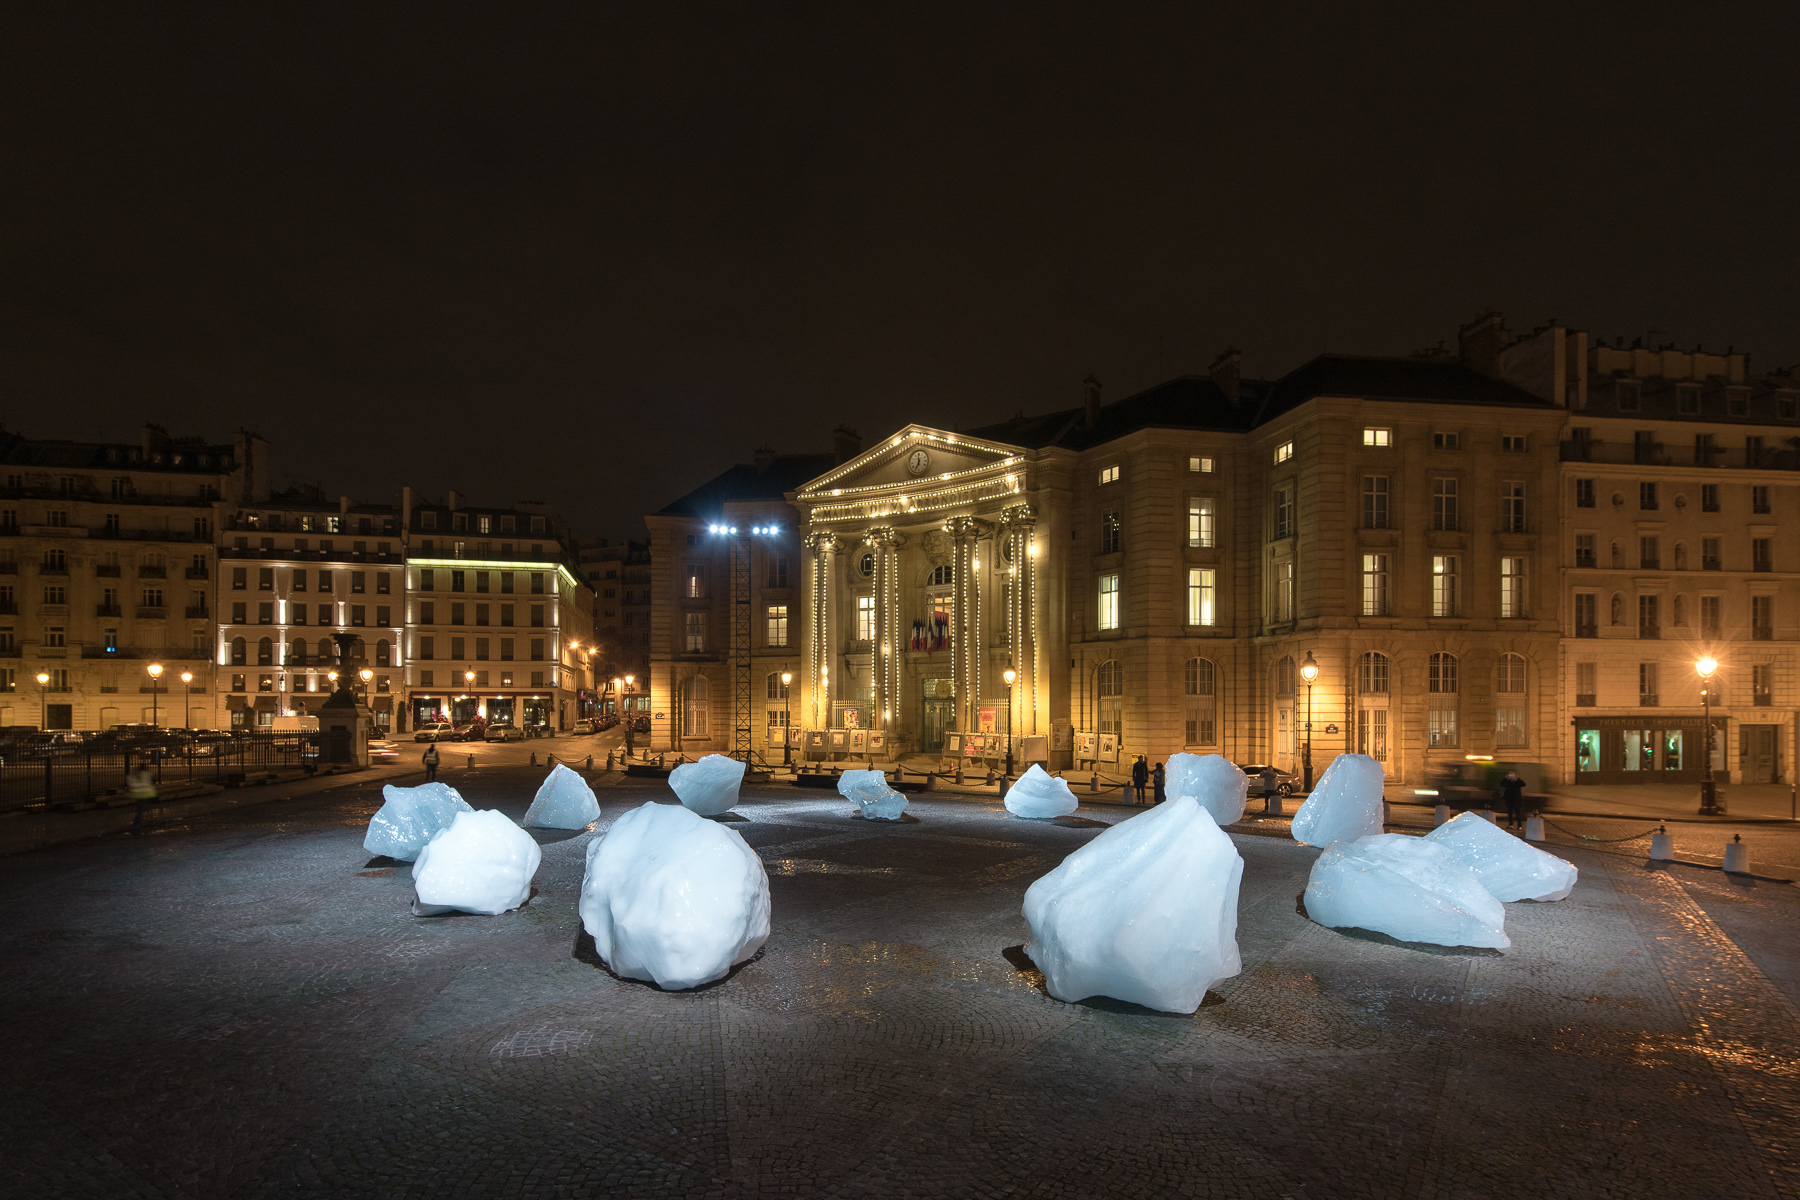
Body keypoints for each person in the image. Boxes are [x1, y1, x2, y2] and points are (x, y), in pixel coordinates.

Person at [128, 757, 157, 835]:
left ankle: (147, 821)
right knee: (142, 809)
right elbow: (153, 782)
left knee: (142, 808)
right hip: (146, 793)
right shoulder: (148, 774)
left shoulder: (133, 775)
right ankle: (138, 823)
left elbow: (129, 783)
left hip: (137, 794)